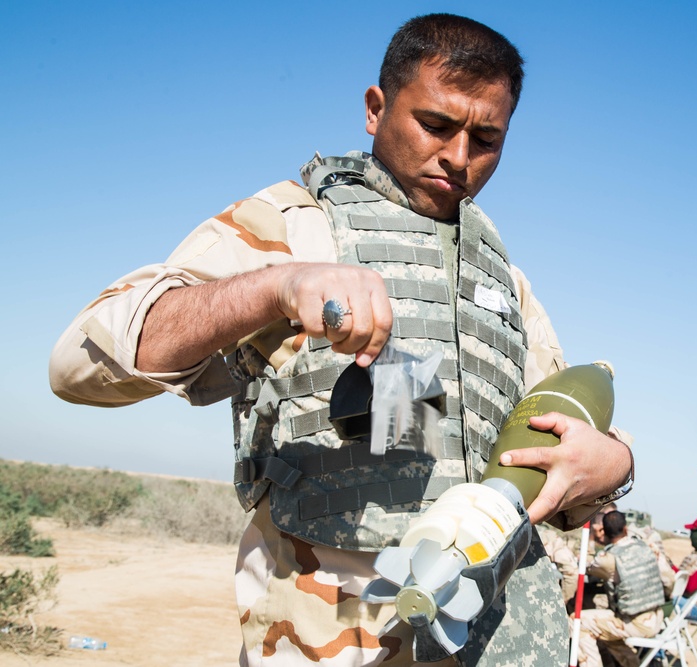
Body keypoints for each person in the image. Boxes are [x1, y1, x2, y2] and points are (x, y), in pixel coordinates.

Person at [48, 13, 634, 666]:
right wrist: (277, 286)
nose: (459, 158)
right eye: (436, 125)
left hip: (496, 639)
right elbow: (77, 363)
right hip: (332, 637)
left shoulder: (505, 281)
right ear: (375, 108)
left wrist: (614, 466)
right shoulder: (294, 227)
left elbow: (555, 456)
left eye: (486, 138)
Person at [579, 510, 666, 667]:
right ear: (625, 528)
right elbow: (668, 579)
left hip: (634, 623)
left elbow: (586, 567)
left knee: (578, 623)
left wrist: (592, 539)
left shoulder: (608, 559)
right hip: (657, 617)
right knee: (604, 628)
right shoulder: (647, 547)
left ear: (604, 531)